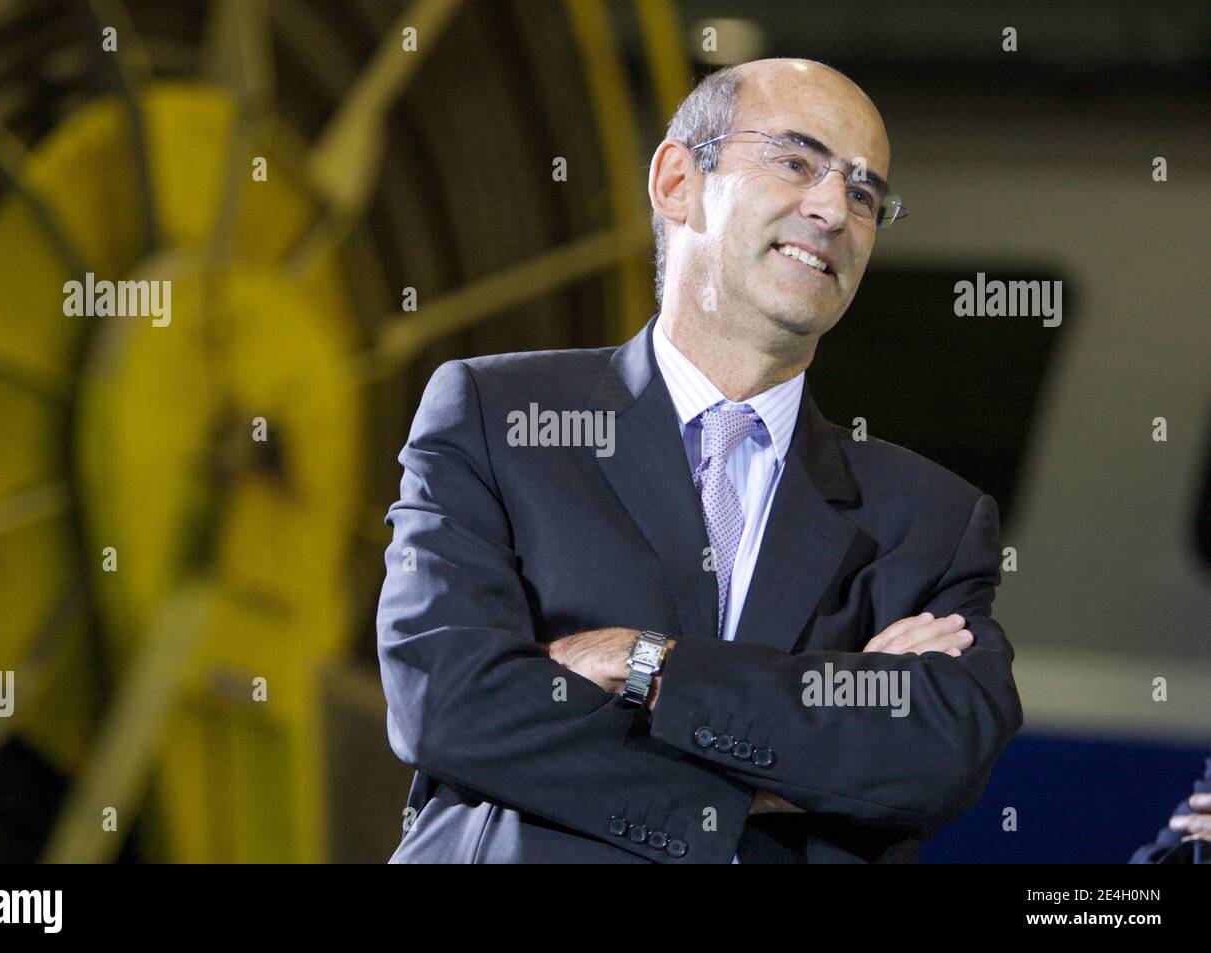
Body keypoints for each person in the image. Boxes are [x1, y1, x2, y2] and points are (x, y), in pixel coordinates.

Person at [377, 58, 1022, 863]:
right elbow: (449, 704)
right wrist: (772, 783)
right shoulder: (498, 416)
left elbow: (933, 755)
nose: (833, 209)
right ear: (679, 180)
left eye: (864, 193)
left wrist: (646, 665)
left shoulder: (929, 519)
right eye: (796, 161)